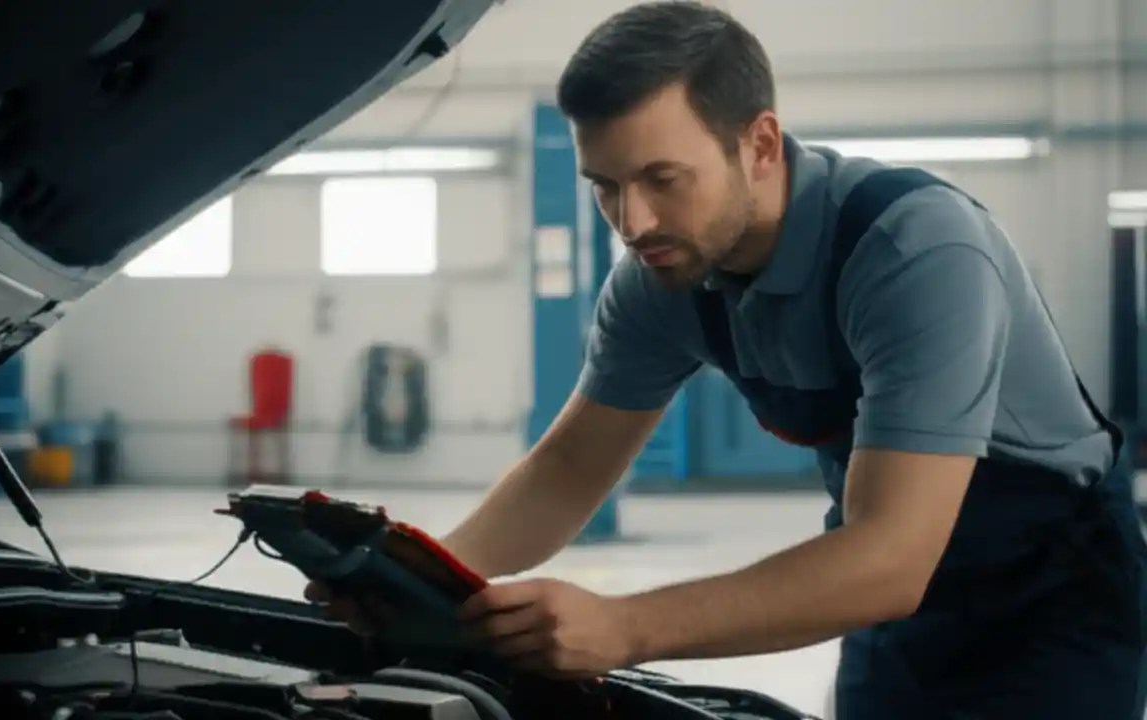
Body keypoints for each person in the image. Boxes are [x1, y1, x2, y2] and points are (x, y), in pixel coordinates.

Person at [308, 2, 1147, 716]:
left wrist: (626, 626)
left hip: (1053, 592)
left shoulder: (915, 250)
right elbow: (568, 470)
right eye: (605, 186)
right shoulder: (660, 280)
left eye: (663, 177)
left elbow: (891, 557)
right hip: (887, 589)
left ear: (760, 143)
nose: (633, 221)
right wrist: (421, 578)